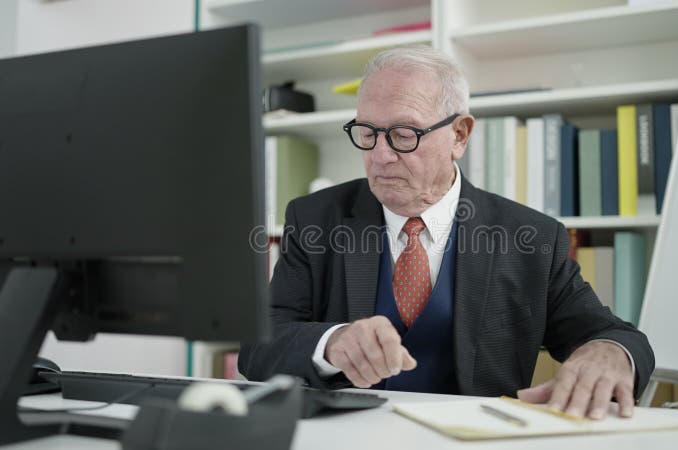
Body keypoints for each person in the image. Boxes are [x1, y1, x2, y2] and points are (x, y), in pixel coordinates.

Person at [240, 46, 654, 420]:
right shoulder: (315, 218)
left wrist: (612, 353)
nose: (380, 155)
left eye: (404, 134)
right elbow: (257, 345)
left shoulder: (532, 237)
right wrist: (332, 343)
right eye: (367, 133)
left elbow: (614, 335)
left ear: (459, 135)